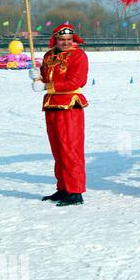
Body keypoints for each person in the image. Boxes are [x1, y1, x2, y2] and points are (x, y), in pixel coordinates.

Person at [33, 23, 89, 206]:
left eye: (69, 40)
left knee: (70, 149)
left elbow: (76, 81)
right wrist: (36, 76)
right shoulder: (49, 55)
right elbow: (44, 76)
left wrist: (47, 86)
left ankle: (75, 191)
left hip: (69, 106)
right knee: (58, 150)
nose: (65, 43)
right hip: (52, 105)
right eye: (61, 40)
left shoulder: (78, 55)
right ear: (55, 40)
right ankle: (63, 187)